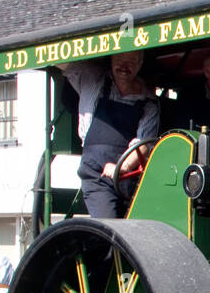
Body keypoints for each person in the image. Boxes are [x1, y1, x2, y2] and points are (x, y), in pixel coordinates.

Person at [60, 51, 159, 218]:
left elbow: (145, 145)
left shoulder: (148, 102)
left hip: (127, 178)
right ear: (111, 58)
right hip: (96, 174)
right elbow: (60, 58)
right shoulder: (92, 78)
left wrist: (123, 167)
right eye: (120, 59)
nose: (124, 66)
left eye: (131, 61)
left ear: (140, 64)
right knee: (109, 226)